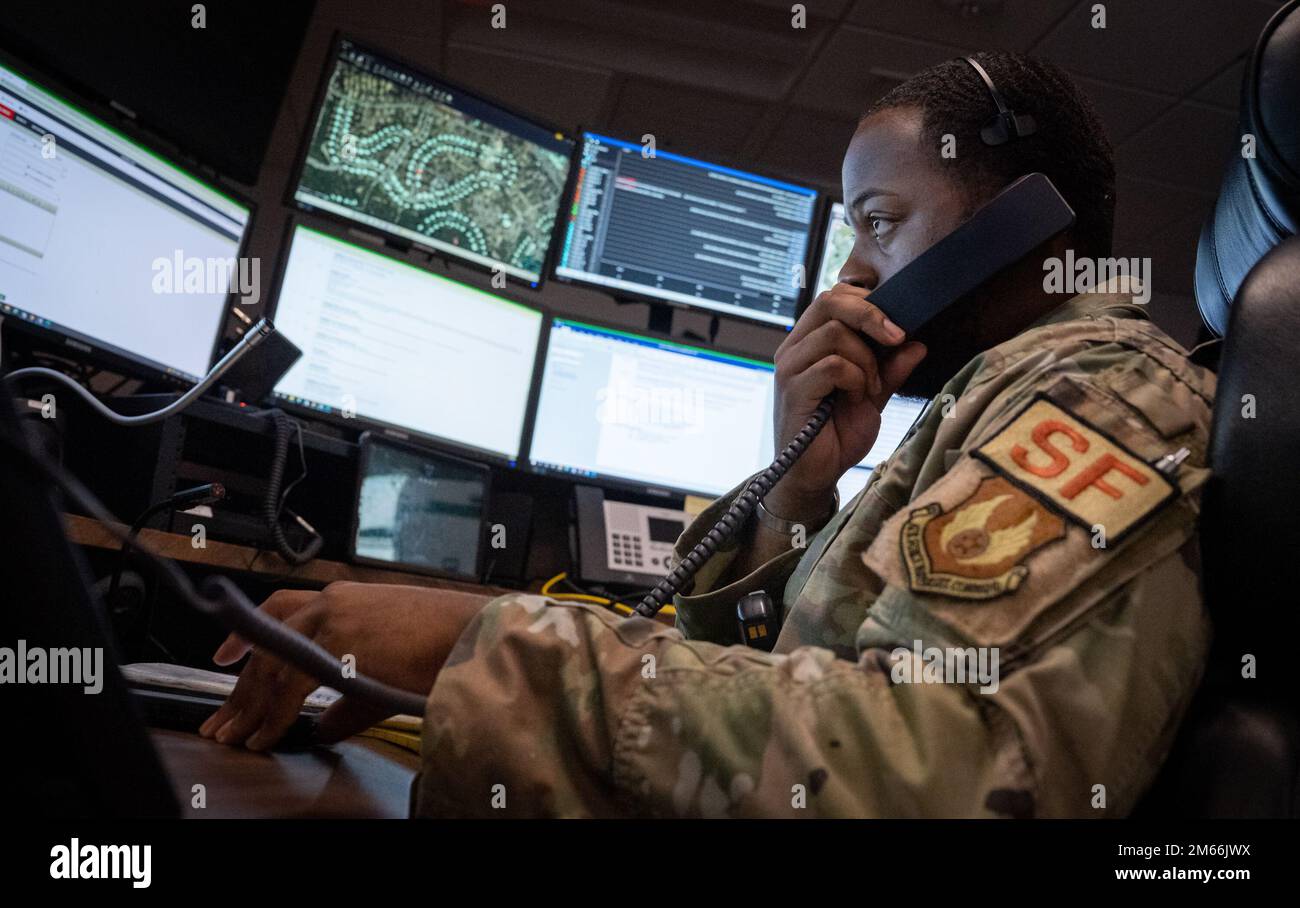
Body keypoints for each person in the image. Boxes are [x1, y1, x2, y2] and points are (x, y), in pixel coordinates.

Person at [199, 52, 1216, 818]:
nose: (854, 277)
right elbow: (776, 689)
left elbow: (931, 763)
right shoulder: (985, 403)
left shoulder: (1105, 399)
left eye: (878, 221)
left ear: (1025, 223)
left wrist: (486, 646)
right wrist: (795, 496)